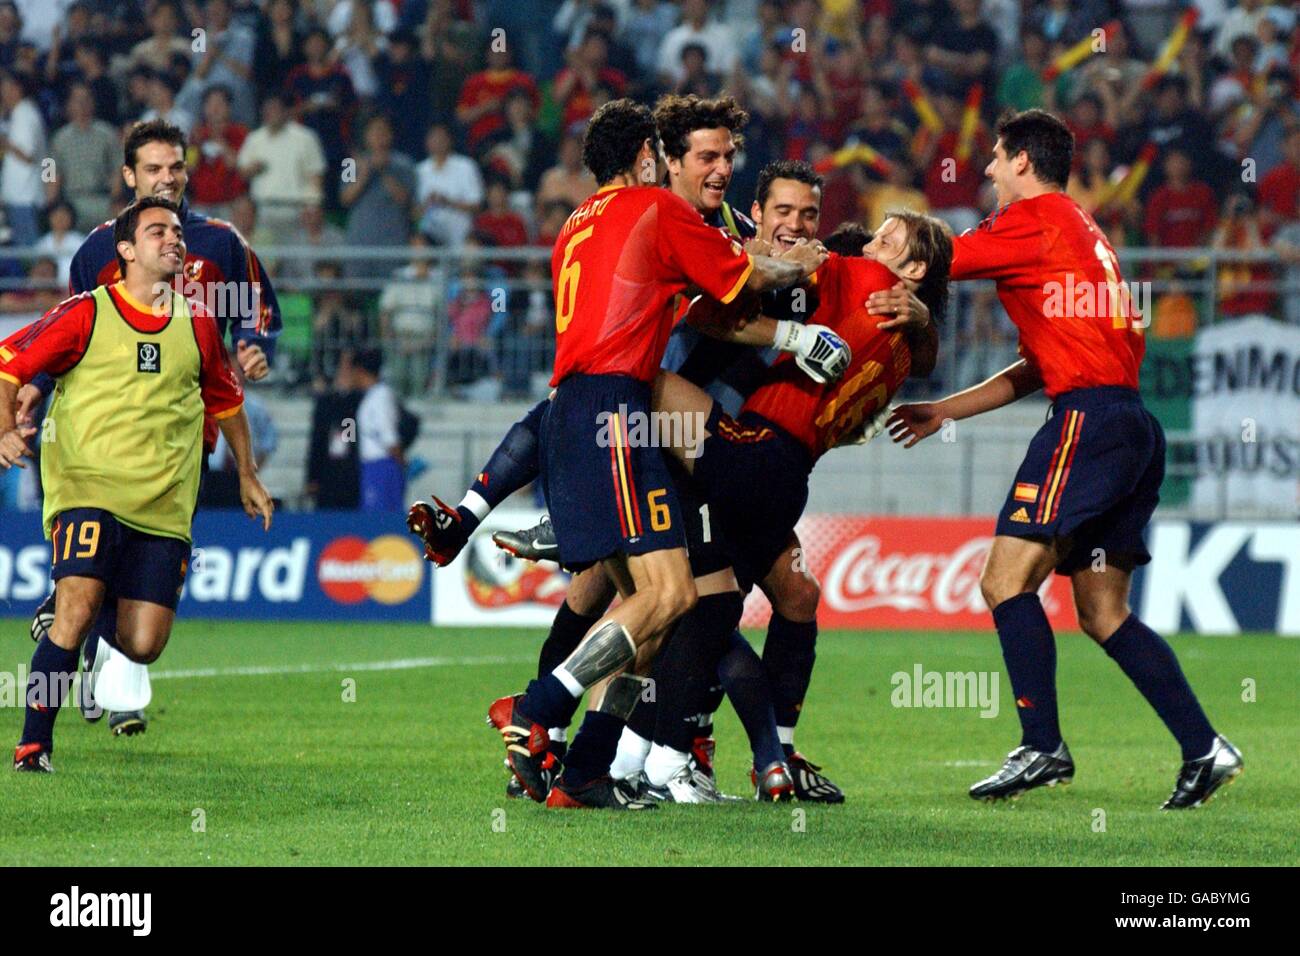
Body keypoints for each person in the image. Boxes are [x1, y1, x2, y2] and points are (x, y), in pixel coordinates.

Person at [468, 99, 825, 810]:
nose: (718, 168)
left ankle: (587, 767)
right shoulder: (659, 214)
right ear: (660, 159)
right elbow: (718, 297)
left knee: (650, 609)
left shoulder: (607, 220)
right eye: (703, 158)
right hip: (639, 423)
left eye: (728, 156)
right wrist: (791, 302)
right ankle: (557, 721)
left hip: (635, 427)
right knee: (658, 597)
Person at [887, 109, 1242, 809]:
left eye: (993, 157)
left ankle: (1041, 743)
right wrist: (942, 411)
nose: (985, 170)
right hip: (1131, 425)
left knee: (1003, 579)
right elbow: (1031, 368)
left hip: (1088, 421)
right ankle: (1206, 749)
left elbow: (936, 260)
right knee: (1103, 611)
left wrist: (865, 259)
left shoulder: (1034, 219)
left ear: (1022, 160)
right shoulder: (1082, 235)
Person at [16, 119, 282, 738]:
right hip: (97, 444)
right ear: (129, 177)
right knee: (86, 591)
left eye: (177, 168)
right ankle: (55, 721)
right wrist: (33, 388)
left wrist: (251, 348)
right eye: (154, 170)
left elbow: (254, 318)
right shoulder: (94, 252)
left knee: (142, 627)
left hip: (182, 442)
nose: (168, 179)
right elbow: (73, 334)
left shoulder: (219, 244)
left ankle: (97, 635)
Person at [353, 347, 404, 511]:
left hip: (381, 466)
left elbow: (388, 433)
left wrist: (400, 462)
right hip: (372, 466)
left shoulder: (380, 396)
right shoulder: (371, 396)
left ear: (360, 371)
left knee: (380, 516)